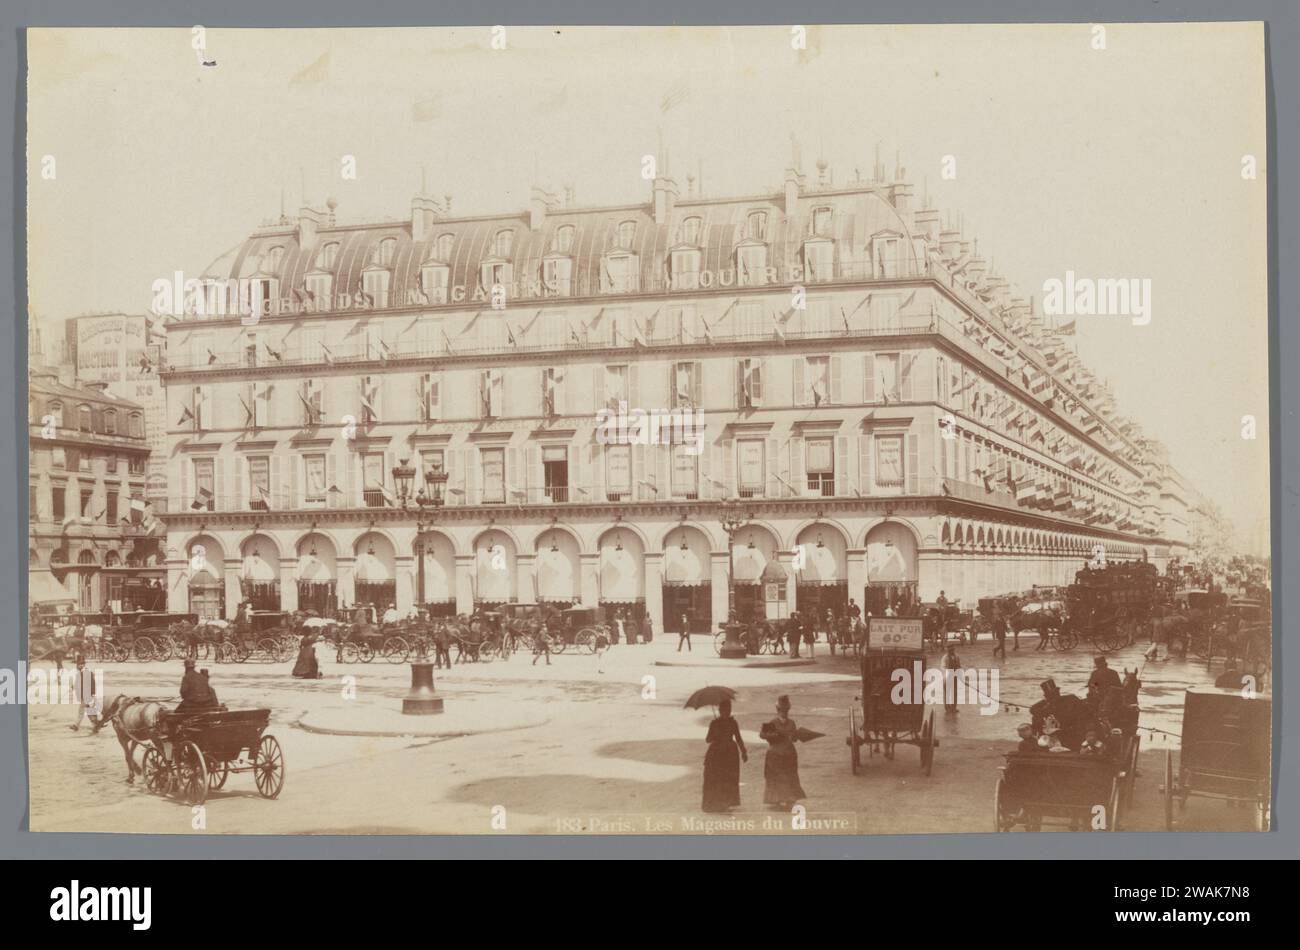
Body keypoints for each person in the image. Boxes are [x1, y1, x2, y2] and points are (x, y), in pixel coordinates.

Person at [701, 698, 748, 813]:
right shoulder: (730, 722)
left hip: (719, 753)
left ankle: (719, 803)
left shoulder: (715, 723)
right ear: (722, 710)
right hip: (728, 753)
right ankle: (723, 803)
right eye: (727, 710)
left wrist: (744, 752)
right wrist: (743, 752)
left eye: (728, 710)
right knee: (725, 778)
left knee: (720, 778)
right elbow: (738, 739)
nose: (727, 712)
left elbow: (708, 739)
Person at [760, 695, 807, 808]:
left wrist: (796, 736)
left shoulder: (792, 723)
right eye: (782, 710)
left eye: (786, 710)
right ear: (778, 710)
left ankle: (789, 797)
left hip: (789, 753)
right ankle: (776, 798)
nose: (784, 712)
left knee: (790, 776)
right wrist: (773, 735)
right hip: (775, 754)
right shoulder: (772, 723)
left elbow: (794, 739)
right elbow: (762, 735)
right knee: (777, 777)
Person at [69, 654, 98, 731]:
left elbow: (91, 684)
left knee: (82, 711)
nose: (78, 666)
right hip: (86, 695)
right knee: (89, 711)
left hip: (86, 696)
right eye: (78, 664)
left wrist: (92, 694)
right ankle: (95, 725)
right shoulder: (84, 672)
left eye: (79, 664)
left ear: (82, 665)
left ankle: (76, 725)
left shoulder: (85, 672)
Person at [942, 643, 962, 714]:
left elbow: (959, 666)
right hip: (947, 677)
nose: (951, 651)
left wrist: (959, 674)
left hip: (954, 677)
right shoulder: (945, 658)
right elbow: (943, 667)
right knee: (947, 693)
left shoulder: (957, 656)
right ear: (947, 650)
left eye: (952, 649)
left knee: (954, 692)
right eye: (950, 650)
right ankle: (947, 708)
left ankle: (953, 707)